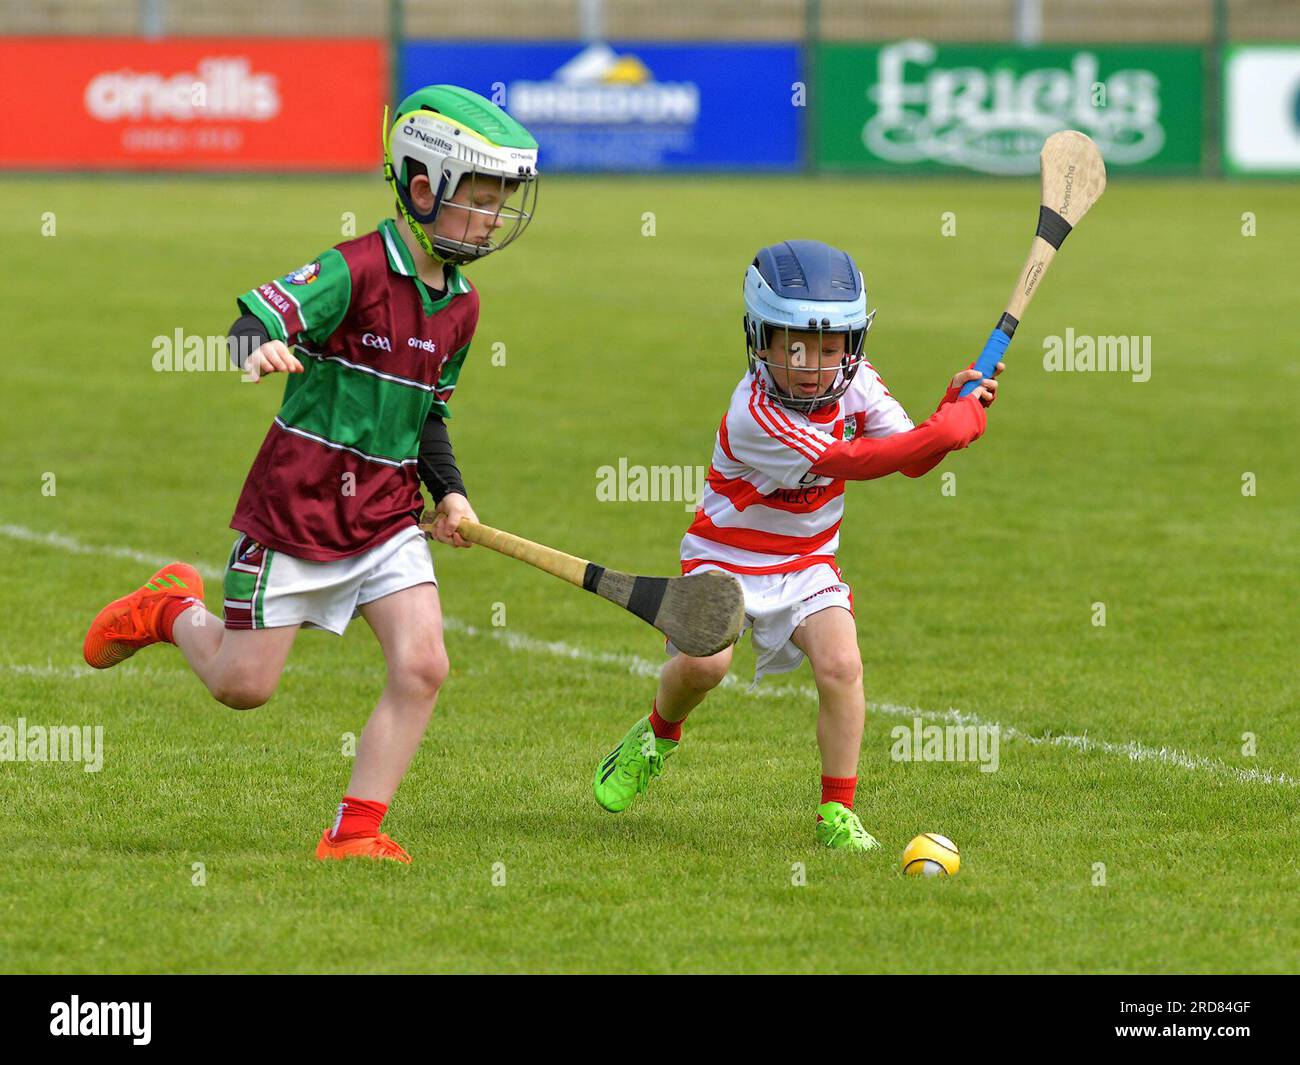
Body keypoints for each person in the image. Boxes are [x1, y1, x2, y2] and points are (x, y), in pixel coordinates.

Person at [82, 86, 540, 864]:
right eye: (483, 201)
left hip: (389, 514)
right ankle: (170, 607)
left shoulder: (462, 309)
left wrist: (450, 490)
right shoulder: (354, 269)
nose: (495, 220)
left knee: (424, 662)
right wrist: (254, 347)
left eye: (503, 204)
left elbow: (429, 414)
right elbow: (254, 318)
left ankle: (354, 831)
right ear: (423, 189)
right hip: (297, 509)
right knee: (242, 686)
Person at [591, 239, 1001, 850]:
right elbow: (853, 460)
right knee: (707, 664)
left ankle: (836, 810)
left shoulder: (856, 383)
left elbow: (910, 458)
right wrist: (947, 431)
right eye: (798, 347)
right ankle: (658, 735)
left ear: (853, 345)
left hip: (807, 562)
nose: (816, 365)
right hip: (723, 555)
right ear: (763, 342)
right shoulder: (754, 412)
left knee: (842, 666)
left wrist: (947, 417)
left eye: (832, 347)